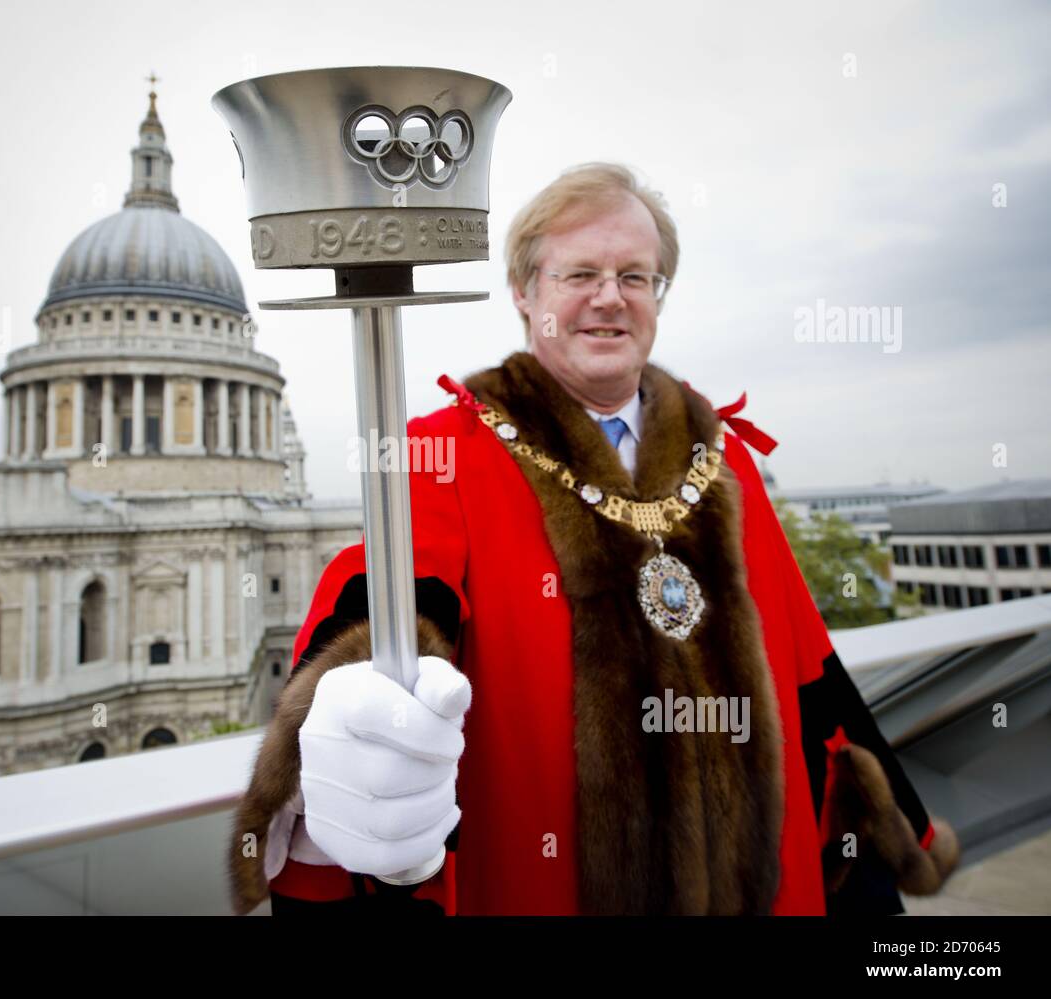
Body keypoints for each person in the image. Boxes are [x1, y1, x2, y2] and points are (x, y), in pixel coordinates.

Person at [228, 162, 960, 916]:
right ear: (526, 293)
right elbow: (397, 593)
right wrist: (347, 702)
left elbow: (806, 663)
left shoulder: (725, 458)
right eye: (580, 272)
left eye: (635, 277)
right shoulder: (443, 451)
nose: (610, 297)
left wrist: (883, 826)